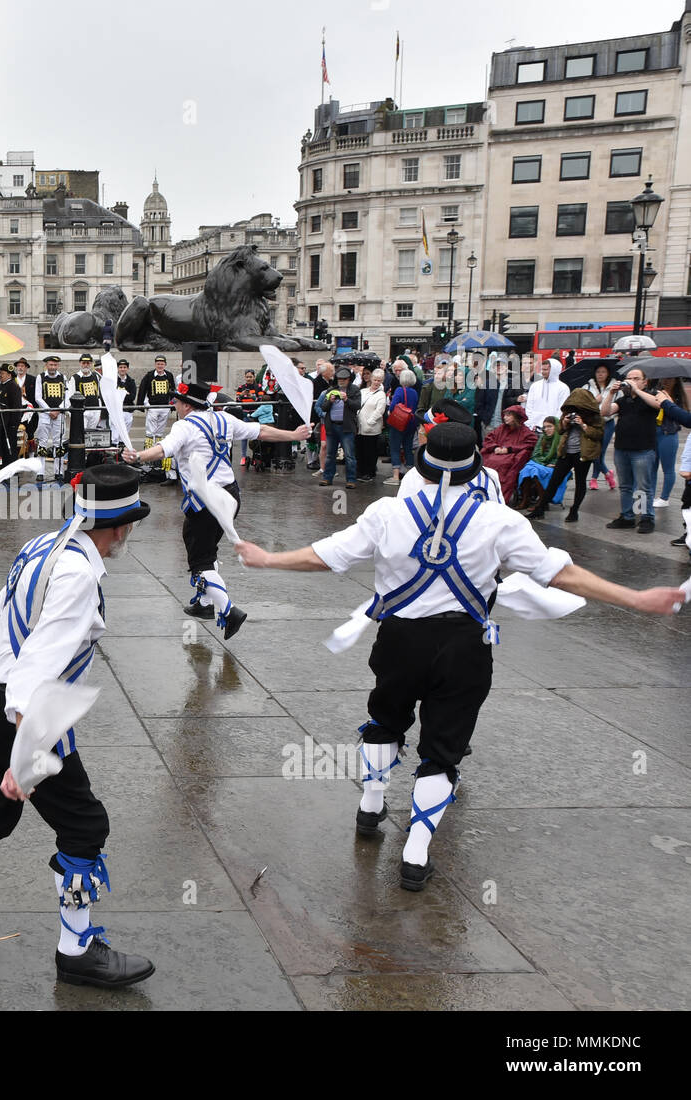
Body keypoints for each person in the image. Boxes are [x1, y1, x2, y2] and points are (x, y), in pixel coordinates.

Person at [235, 421, 684, 890]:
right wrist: (634, 599)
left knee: (385, 720)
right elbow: (560, 575)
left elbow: (326, 556)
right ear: (477, 466)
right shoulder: (502, 521)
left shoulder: (388, 512)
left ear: (423, 463)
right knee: (443, 749)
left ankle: (371, 803)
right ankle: (415, 852)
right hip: (464, 646)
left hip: (399, 641)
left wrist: (267, 559)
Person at [0, 464, 156, 988]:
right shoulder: (81, 576)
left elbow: (2, 605)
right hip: (25, 710)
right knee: (85, 825)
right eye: (130, 524)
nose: (129, 533)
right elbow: (40, 663)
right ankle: (77, 951)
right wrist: (26, 752)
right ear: (119, 526)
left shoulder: (45, 544)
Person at [125, 381, 312, 638]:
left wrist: (138, 457)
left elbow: (163, 449)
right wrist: (294, 435)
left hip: (205, 501)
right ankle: (203, 604)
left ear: (187, 405)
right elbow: (261, 431)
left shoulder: (185, 425)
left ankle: (229, 610)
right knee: (208, 548)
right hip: (230, 495)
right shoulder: (223, 418)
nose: (175, 406)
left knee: (200, 559)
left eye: (177, 402)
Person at [528, 389, 603, 523]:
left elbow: (598, 434)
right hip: (566, 452)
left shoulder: (594, 416)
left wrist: (583, 425)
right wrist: (564, 423)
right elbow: (560, 430)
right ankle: (540, 509)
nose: (576, 409)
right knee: (554, 481)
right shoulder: (568, 414)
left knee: (580, 482)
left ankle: (574, 511)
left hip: (583, 454)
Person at [600, 367, 660, 533]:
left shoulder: (651, 395)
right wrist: (611, 393)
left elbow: (657, 404)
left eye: (636, 378)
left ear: (644, 381)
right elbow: (604, 412)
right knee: (625, 486)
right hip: (622, 449)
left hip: (642, 450)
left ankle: (646, 518)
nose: (631, 380)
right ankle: (628, 517)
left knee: (642, 487)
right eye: (629, 378)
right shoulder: (623, 400)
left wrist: (636, 390)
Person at [480, 404, 536, 502]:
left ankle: (497, 498)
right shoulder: (501, 428)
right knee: (484, 461)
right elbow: (489, 439)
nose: (505, 417)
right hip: (496, 453)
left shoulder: (525, 431)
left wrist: (509, 449)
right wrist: (495, 447)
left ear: (516, 416)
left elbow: (530, 443)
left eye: (508, 415)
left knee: (502, 464)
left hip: (511, 457)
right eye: (505, 415)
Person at [317, 366, 361, 488]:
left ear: (349, 379)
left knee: (349, 455)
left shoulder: (354, 390)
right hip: (332, 426)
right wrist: (330, 401)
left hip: (346, 427)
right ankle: (327, 478)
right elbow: (323, 407)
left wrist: (346, 399)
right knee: (330, 454)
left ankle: (351, 480)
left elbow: (357, 406)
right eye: (339, 379)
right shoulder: (331, 389)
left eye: (344, 379)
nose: (341, 381)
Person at [653, 378, 691, 509]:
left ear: (676, 381)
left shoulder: (678, 396)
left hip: (669, 433)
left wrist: (668, 402)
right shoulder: (655, 392)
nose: (667, 381)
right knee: (651, 467)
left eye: (670, 378)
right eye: (665, 378)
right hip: (653, 433)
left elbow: (684, 417)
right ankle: (650, 495)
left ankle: (664, 498)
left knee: (668, 468)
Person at [137, 354, 176, 479]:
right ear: (155, 365)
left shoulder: (169, 375)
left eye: (162, 364)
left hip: (164, 407)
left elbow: (173, 390)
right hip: (153, 407)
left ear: (165, 365)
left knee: (160, 432)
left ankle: (157, 454)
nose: (160, 366)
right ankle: (149, 455)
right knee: (150, 431)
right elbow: (143, 389)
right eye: (158, 364)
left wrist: (172, 404)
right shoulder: (149, 376)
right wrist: (144, 404)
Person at [515, 416, 560, 515]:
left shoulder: (560, 438)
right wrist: (542, 462)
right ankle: (525, 499)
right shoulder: (542, 438)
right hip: (540, 463)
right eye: (545, 427)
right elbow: (536, 454)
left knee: (535, 472)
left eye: (550, 427)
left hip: (554, 466)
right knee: (526, 470)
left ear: (556, 427)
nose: (546, 429)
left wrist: (554, 464)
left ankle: (542, 501)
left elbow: (562, 457)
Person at [584, 362, 618, 491]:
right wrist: (594, 401)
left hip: (607, 423)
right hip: (592, 423)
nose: (600, 374)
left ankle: (593, 478)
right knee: (593, 451)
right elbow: (582, 403)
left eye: (603, 372)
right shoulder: (588, 386)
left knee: (600, 452)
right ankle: (607, 473)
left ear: (608, 373)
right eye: (598, 372)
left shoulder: (615, 386)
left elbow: (618, 405)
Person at [387, 367, 420, 482]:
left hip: (399, 423)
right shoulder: (414, 392)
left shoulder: (400, 390)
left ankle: (396, 476)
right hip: (411, 423)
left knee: (395, 448)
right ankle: (410, 476)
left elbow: (392, 407)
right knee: (408, 448)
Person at [357, 368, 387, 483]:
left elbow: (379, 411)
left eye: (379, 380)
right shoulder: (363, 391)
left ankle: (369, 472)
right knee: (360, 450)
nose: (376, 382)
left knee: (370, 452)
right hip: (359, 426)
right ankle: (360, 470)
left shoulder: (381, 394)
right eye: (375, 380)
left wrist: (370, 422)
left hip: (371, 428)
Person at [523, 358, 569, 430]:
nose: (543, 372)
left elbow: (561, 409)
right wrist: (531, 423)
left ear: (554, 370)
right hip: (534, 428)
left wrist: (553, 425)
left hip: (552, 429)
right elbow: (529, 406)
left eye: (546, 370)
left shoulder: (563, 388)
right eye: (542, 369)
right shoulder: (535, 386)